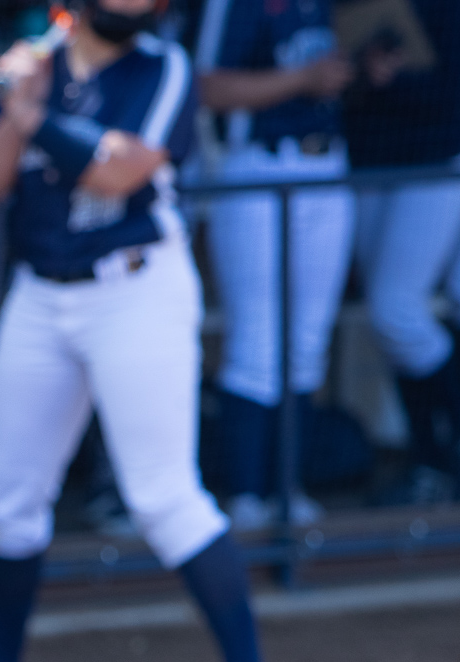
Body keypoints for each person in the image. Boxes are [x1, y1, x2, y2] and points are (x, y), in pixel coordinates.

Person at [0, 0, 292, 662]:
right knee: (5, 496)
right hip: (41, 292)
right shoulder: (35, 65)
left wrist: (31, 117)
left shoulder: (162, 67)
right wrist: (8, 103)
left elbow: (120, 172)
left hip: (136, 288)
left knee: (162, 495)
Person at [194, 0, 354, 530]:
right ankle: (245, 494)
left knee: (308, 343)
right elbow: (210, 87)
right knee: (257, 340)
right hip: (257, 169)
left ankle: (288, 488)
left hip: (327, 164)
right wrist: (302, 79)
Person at [342, 0, 460, 504]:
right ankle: (428, 457)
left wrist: (395, 79)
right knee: (390, 318)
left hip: (437, 155)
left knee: (397, 311)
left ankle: (439, 455)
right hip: (367, 160)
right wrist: (361, 73)